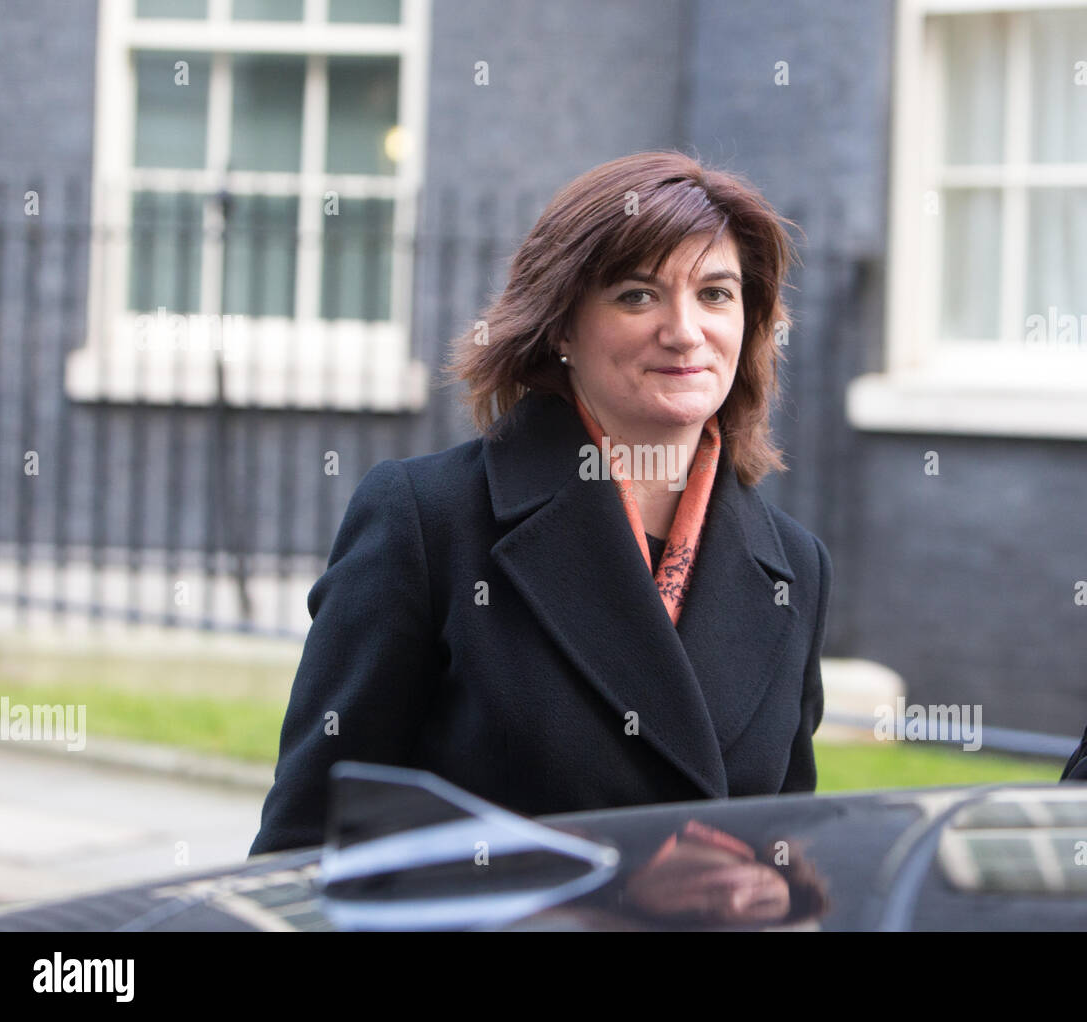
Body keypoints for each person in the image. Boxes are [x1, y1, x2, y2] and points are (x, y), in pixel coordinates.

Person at [249, 150, 832, 856]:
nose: (684, 331)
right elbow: (312, 843)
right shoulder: (429, 521)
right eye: (636, 295)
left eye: (715, 295)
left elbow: (783, 851)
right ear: (560, 327)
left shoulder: (796, 568)